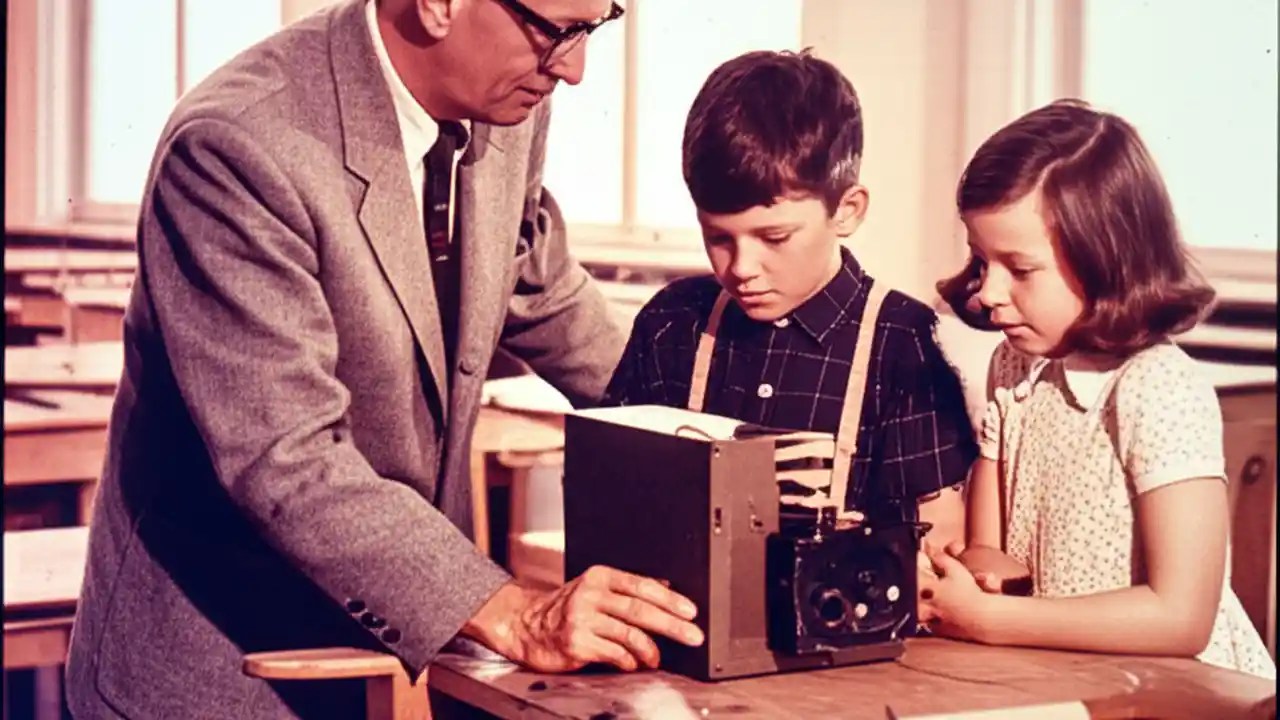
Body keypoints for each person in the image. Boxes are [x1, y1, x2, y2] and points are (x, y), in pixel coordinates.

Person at [66, 1, 704, 717]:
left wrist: (719, 425)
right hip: (225, 663)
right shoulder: (238, 146)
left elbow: (535, 288)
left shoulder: (510, 101)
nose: (576, 68)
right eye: (556, 30)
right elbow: (291, 461)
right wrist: (517, 613)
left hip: (392, 650)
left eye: (597, 25)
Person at [921, 99, 1275, 679]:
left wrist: (988, 620)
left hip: (1186, 696)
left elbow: (1181, 618)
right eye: (982, 261)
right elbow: (993, 552)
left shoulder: (1158, 387)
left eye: (1020, 268)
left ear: (1105, 258)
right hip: (1072, 675)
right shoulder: (1014, 366)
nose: (987, 293)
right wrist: (965, 580)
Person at [603, 50, 977, 548]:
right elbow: (614, 498)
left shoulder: (901, 342)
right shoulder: (671, 324)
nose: (741, 268)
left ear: (847, 211)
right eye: (719, 238)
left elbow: (937, 550)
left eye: (774, 238)